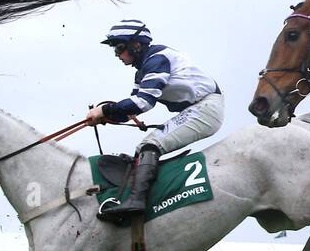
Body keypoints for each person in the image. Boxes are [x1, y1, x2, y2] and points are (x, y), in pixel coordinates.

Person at [86, 19, 224, 221]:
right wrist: (106, 115)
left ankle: (137, 202)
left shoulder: (156, 59)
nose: (117, 55)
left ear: (137, 45)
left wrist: (105, 110)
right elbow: (131, 109)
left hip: (206, 108)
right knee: (143, 148)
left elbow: (143, 102)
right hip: (198, 108)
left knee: (149, 144)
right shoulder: (142, 71)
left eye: (120, 48)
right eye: (115, 50)